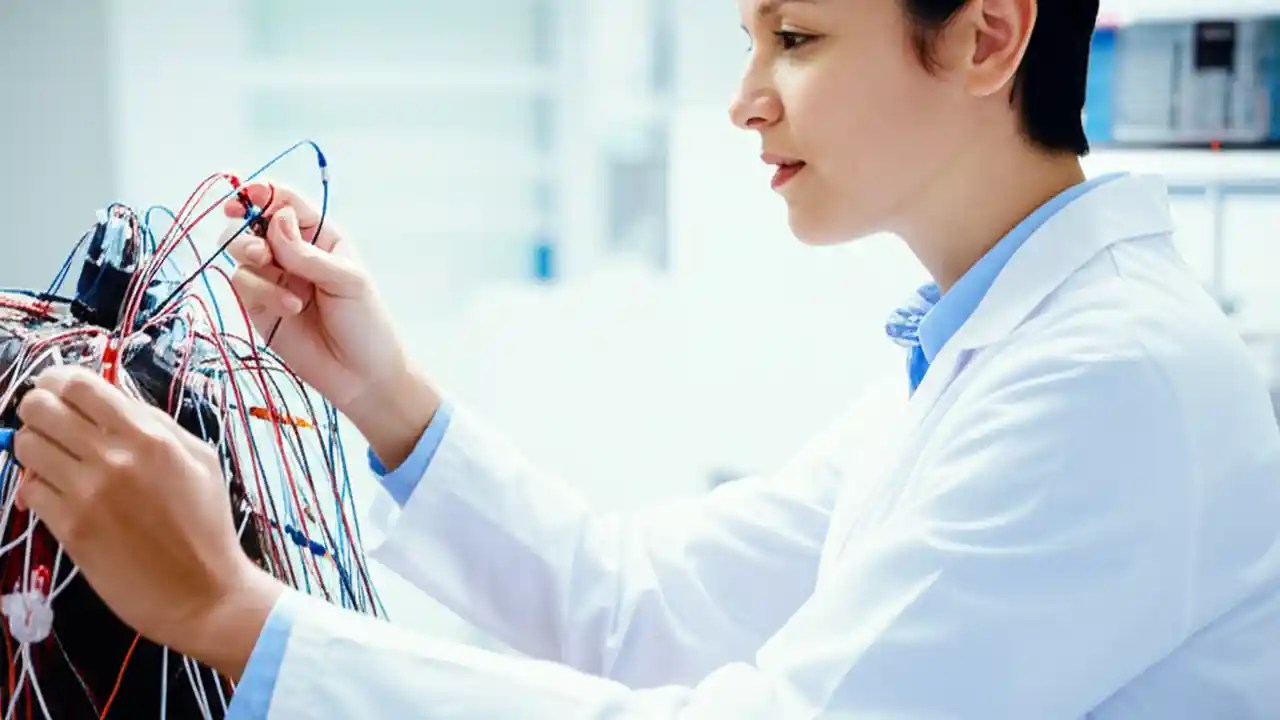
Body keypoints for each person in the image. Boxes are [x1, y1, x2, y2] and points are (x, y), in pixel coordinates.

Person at [11, 0, 1280, 716]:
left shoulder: (1109, 382)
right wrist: (382, 398)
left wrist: (233, 616)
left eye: (795, 38)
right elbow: (642, 607)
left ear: (985, 36)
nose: (744, 95)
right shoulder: (976, 350)